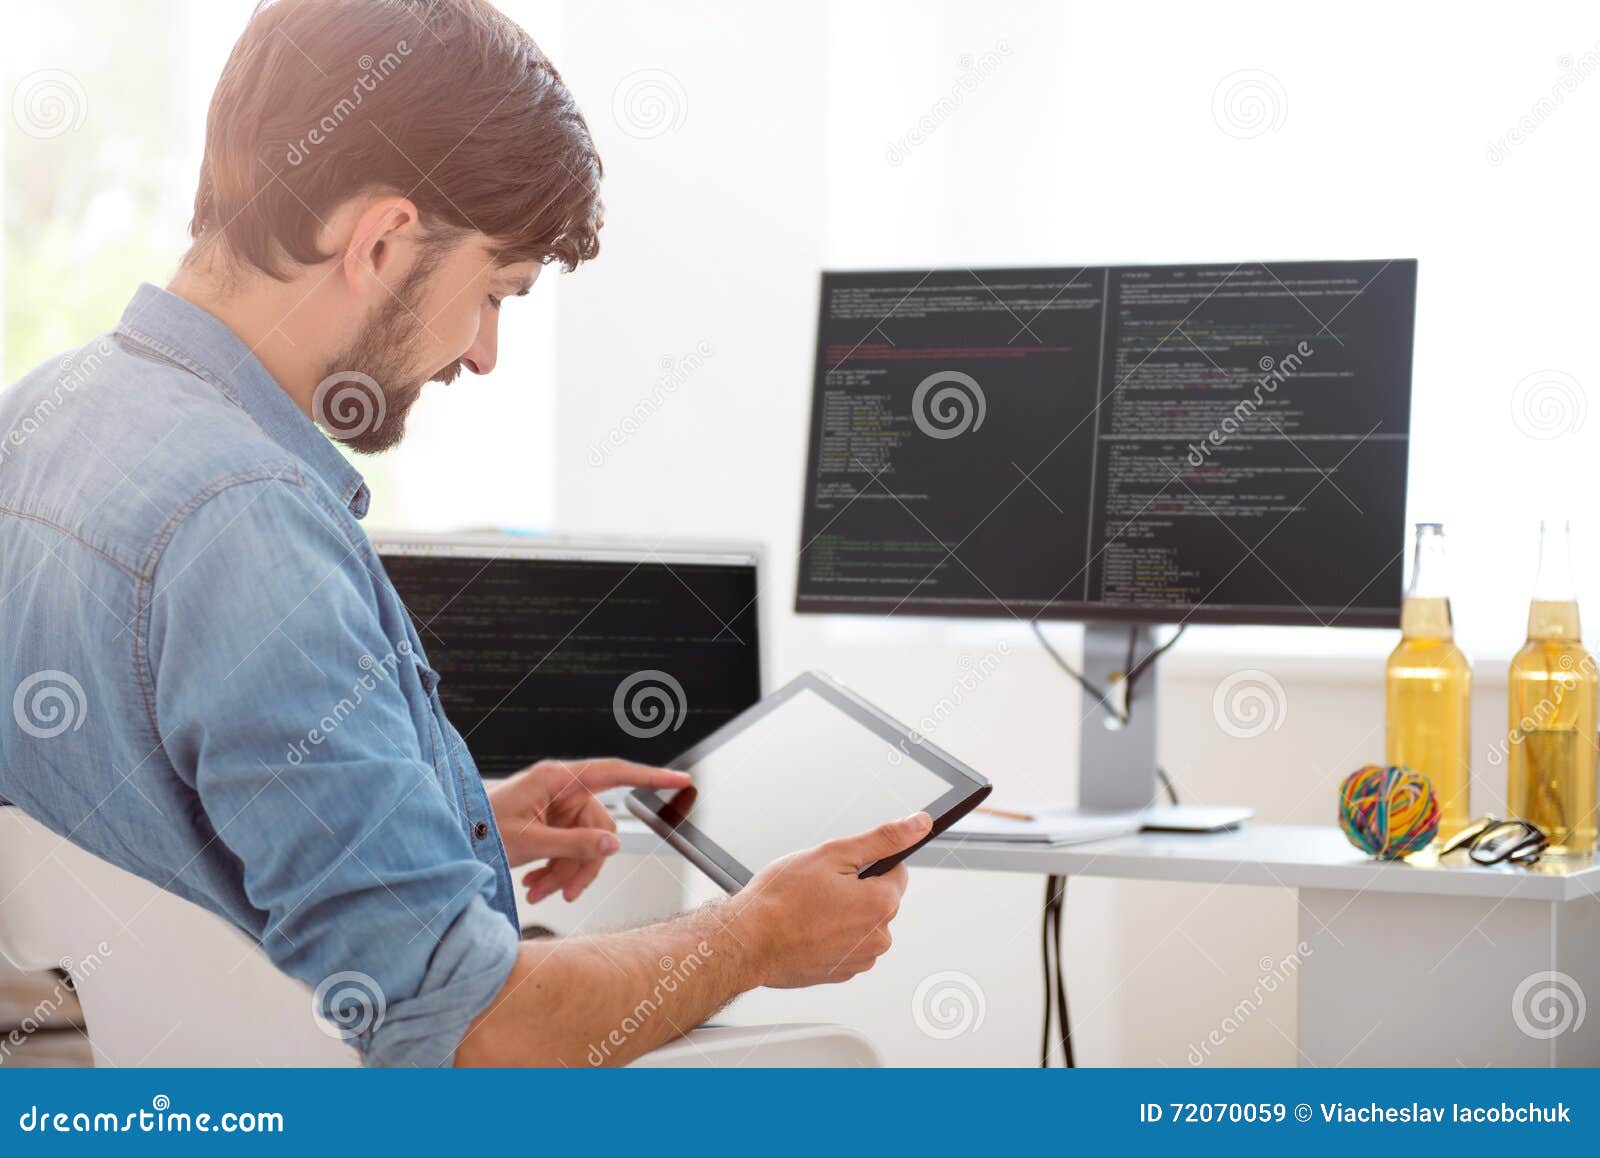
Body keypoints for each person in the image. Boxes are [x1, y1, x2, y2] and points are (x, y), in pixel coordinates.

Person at [0, 0, 924, 1067]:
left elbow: (163, 835)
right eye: (494, 291)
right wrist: (759, 934)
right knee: (834, 1059)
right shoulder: (248, 524)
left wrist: (445, 811)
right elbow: (475, 1031)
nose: (482, 353)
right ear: (386, 239)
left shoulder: (35, 421)